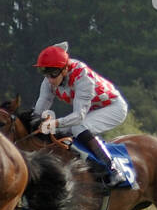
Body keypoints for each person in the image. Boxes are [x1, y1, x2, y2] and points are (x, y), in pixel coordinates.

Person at [32, 42, 134, 188]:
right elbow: (38, 112)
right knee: (62, 132)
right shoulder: (49, 81)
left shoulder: (82, 77)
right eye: (45, 72)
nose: (50, 79)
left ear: (65, 69)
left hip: (113, 107)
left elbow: (78, 116)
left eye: (53, 73)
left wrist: (54, 123)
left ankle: (113, 170)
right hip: (91, 110)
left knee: (78, 127)